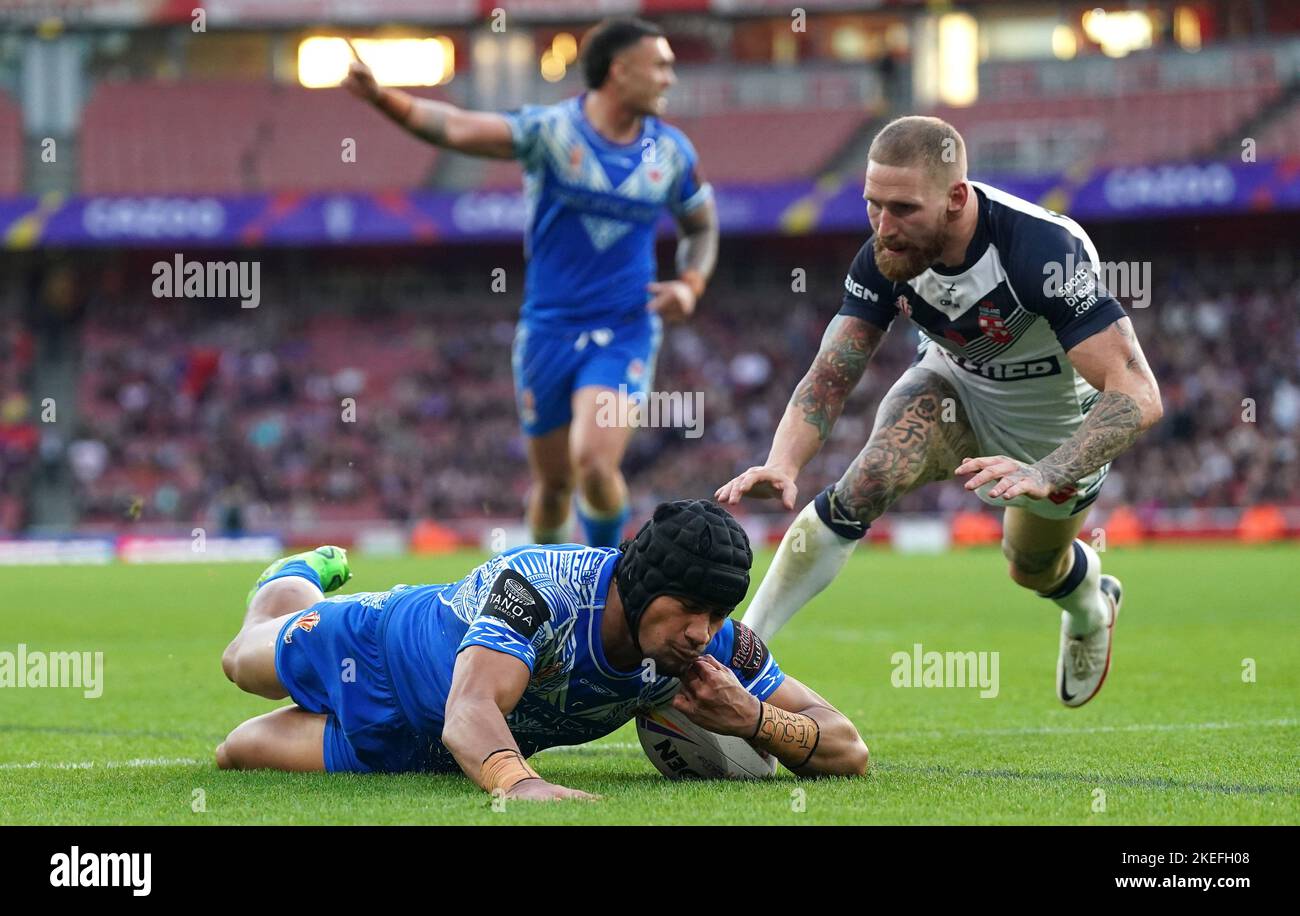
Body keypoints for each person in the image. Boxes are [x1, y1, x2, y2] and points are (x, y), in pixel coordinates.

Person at [717, 116, 1163, 708]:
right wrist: (782, 462)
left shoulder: (1041, 251)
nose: (884, 227)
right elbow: (831, 374)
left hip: (1052, 427)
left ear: (955, 198)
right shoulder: (885, 255)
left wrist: (1050, 469)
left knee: (1030, 567)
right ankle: (738, 659)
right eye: (873, 205)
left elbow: (1138, 393)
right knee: (866, 482)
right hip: (954, 386)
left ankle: (1089, 607)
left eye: (903, 208)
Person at [343, 19, 718, 548]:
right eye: (660, 66)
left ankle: (605, 575)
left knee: (594, 462)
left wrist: (691, 284)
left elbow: (701, 226)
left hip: (625, 329)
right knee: (554, 485)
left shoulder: (672, 153)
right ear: (620, 70)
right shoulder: (551, 132)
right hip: (547, 332)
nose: (669, 79)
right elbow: (456, 128)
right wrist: (382, 97)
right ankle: (547, 582)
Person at [217, 500, 869, 798]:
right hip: (377, 649)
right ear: (643, 587)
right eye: (688, 608)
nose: (703, 631)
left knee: (234, 753)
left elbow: (848, 749)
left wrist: (755, 719)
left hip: (420, 752)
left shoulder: (710, 646)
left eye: (717, 613)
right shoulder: (542, 588)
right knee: (242, 661)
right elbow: (469, 710)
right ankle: (294, 576)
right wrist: (520, 784)